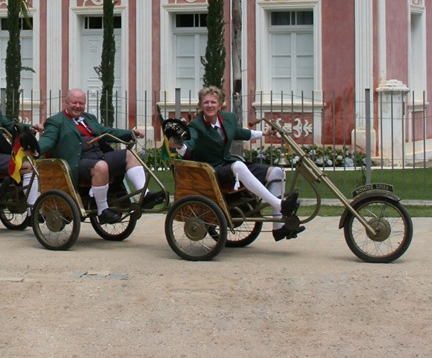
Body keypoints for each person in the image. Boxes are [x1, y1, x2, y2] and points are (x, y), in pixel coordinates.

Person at [169, 85, 301, 241]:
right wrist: (179, 145)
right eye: (206, 102)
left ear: (220, 105)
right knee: (238, 166)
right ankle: (280, 204)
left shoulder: (228, 118)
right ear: (200, 106)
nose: (210, 105)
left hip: (228, 164)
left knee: (277, 172)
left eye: (213, 102)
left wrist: (264, 133)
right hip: (211, 171)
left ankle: (278, 228)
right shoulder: (196, 126)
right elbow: (189, 145)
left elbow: (239, 133)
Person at [37, 88, 164, 224]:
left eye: (81, 103)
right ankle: (103, 211)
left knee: (129, 155)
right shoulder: (56, 121)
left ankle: (145, 196)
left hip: (99, 156)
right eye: (74, 102)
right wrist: (35, 149)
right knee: (101, 167)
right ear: (66, 102)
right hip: (78, 161)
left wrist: (130, 133)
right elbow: (48, 139)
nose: (78, 106)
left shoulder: (89, 118)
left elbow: (106, 131)